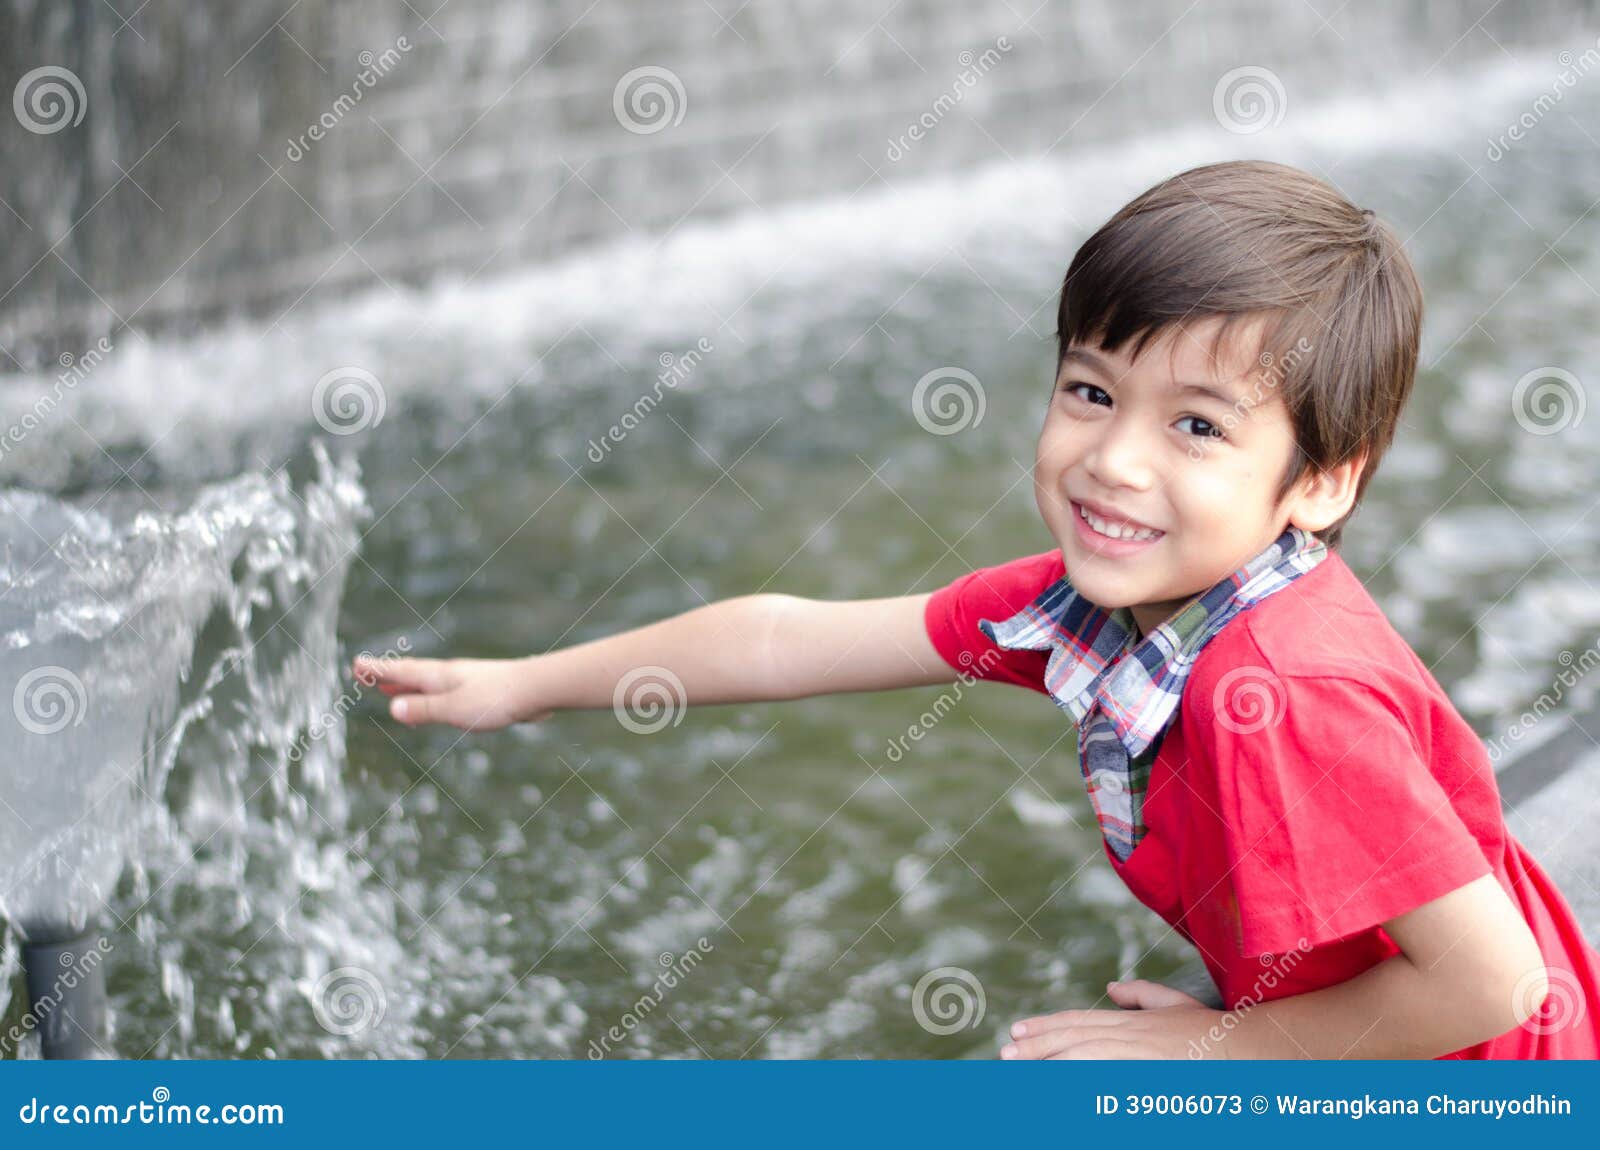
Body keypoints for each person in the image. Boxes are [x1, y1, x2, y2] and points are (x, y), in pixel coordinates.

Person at [352, 160, 1600, 1059]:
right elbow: (791, 637)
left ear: (1321, 482)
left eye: (1198, 426)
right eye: (1090, 390)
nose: (1112, 459)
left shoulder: (1286, 694)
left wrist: (1220, 1051)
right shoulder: (1096, 612)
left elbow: (1488, 988)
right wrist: (524, 681)